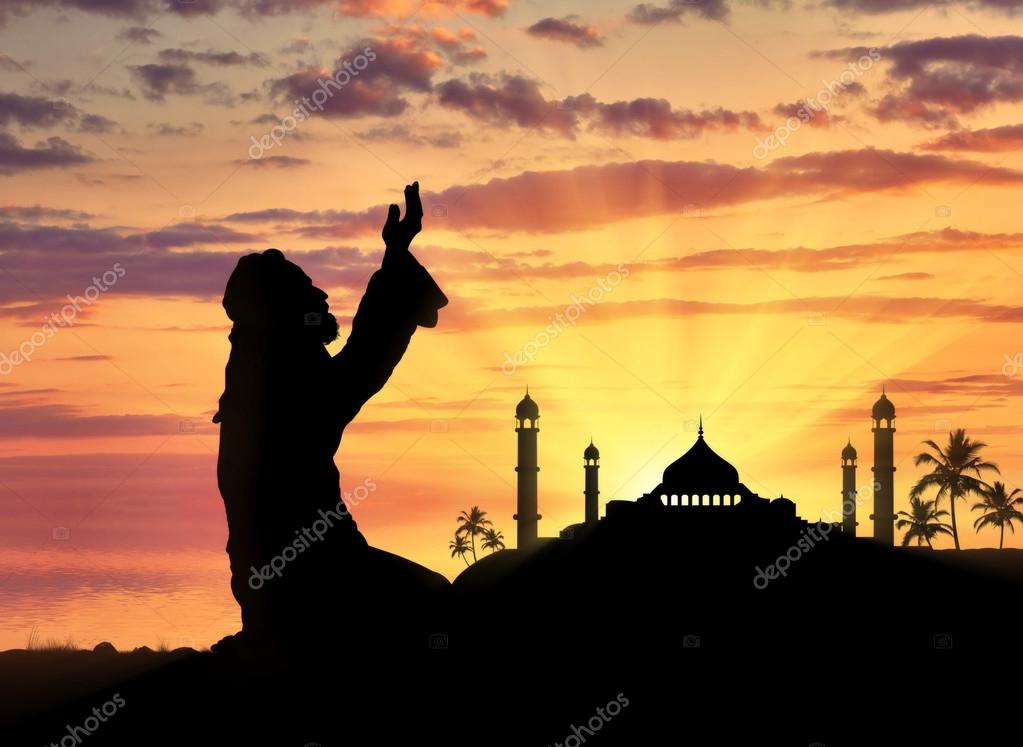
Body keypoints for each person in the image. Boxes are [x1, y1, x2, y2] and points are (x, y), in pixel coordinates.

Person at [211, 182, 449, 654]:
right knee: (441, 603)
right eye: (305, 291)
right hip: (312, 582)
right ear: (278, 312)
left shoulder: (264, 369)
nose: (321, 295)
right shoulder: (275, 377)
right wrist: (395, 262)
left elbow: (352, 373)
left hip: (299, 579)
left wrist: (395, 258)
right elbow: (357, 372)